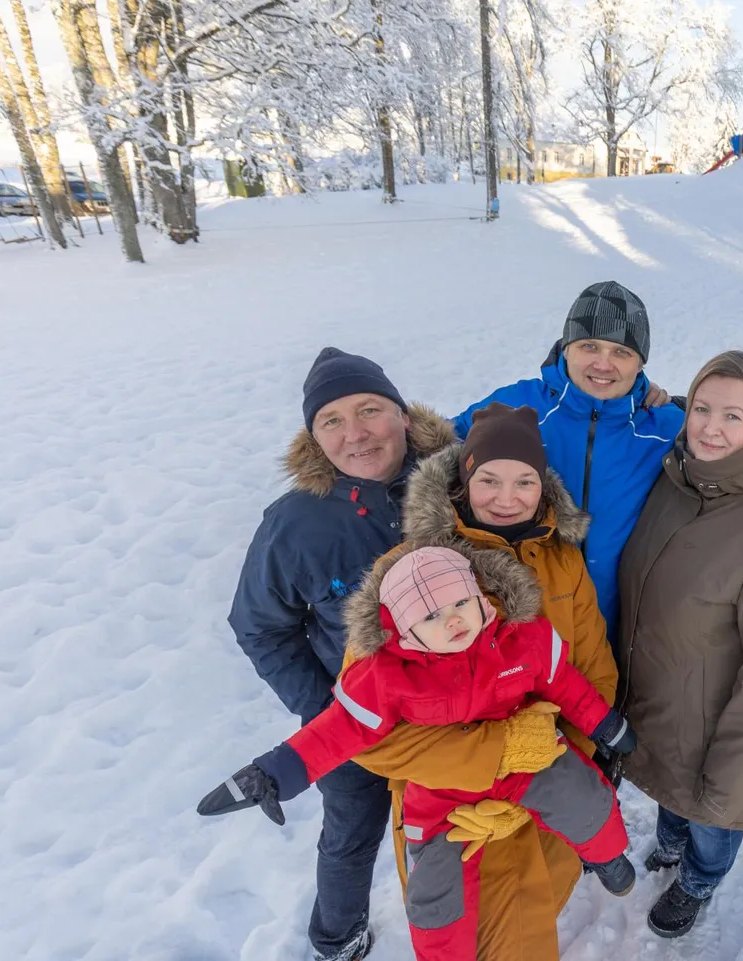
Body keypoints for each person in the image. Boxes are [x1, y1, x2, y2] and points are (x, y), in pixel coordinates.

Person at [201, 545, 639, 960]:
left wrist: (605, 725)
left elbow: (565, 682)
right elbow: (338, 730)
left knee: (580, 791)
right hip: (442, 788)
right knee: (435, 888)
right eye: (431, 616)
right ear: (405, 633)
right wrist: (273, 775)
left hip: (524, 755)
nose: (453, 621)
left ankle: (606, 854)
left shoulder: (519, 639)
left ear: (481, 601)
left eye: (460, 605)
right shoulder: (388, 675)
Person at [340, 401, 627, 960]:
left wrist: (564, 771)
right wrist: (495, 758)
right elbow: (364, 726)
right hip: (449, 817)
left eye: (524, 481)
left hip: (547, 803)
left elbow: (594, 670)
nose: (506, 496)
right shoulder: (412, 569)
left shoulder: (564, 561)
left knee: (534, 931)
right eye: (489, 479)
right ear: (463, 479)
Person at [228, 346, 453, 961]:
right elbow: (258, 626)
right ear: (314, 436)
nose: (355, 434)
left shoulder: (459, 477)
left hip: (463, 704)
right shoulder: (294, 523)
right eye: (332, 420)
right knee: (350, 834)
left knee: (460, 830)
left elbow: (537, 428)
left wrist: (665, 405)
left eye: (370, 410)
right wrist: (325, 708)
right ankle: (338, 935)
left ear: (402, 415)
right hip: (355, 720)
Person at [616, 351, 743, 939]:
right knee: (670, 794)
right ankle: (671, 841)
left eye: (732, 416)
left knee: (713, 815)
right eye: (702, 408)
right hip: (662, 708)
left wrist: (735, 773)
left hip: (718, 732)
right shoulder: (676, 480)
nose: (710, 426)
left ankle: (701, 879)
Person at [452, 281, 684, 644]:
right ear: (566, 348)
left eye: (621, 351)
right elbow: (436, 449)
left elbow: (736, 433)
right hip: (525, 630)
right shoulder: (519, 408)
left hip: (624, 630)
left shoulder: (665, 425)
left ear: (640, 362)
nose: (603, 364)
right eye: (589, 345)